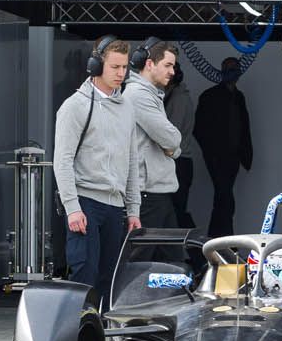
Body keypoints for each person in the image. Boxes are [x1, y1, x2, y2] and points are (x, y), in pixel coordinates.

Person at [52, 35, 141, 297]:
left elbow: (132, 160)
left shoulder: (126, 107)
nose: (121, 73)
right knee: (84, 276)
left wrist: (133, 209)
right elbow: (63, 161)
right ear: (95, 65)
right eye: (115, 67)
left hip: (115, 207)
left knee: (111, 279)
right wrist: (72, 208)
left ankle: (104, 334)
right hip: (86, 203)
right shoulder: (75, 106)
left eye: (125, 67)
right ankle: (80, 335)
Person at [123, 39, 184, 229]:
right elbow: (172, 138)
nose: (172, 72)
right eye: (167, 65)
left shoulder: (149, 94)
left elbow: (171, 142)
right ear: (149, 64)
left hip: (154, 192)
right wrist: (173, 148)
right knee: (141, 255)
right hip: (147, 194)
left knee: (171, 255)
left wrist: (173, 149)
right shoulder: (138, 95)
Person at [195, 57, 253, 237]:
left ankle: (218, 241)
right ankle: (222, 241)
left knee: (223, 198)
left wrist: (244, 154)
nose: (232, 73)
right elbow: (199, 129)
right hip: (217, 157)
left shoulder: (238, 96)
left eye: (234, 69)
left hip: (233, 156)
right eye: (228, 69)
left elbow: (243, 127)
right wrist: (211, 152)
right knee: (225, 198)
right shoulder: (210, 96)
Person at [166, 63, 199, 228]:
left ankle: (194, 250)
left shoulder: (179, 99)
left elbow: (172, 134)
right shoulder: (177, 96)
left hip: (179, 161)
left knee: (176, 211)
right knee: (174, 211)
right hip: (179, 160)